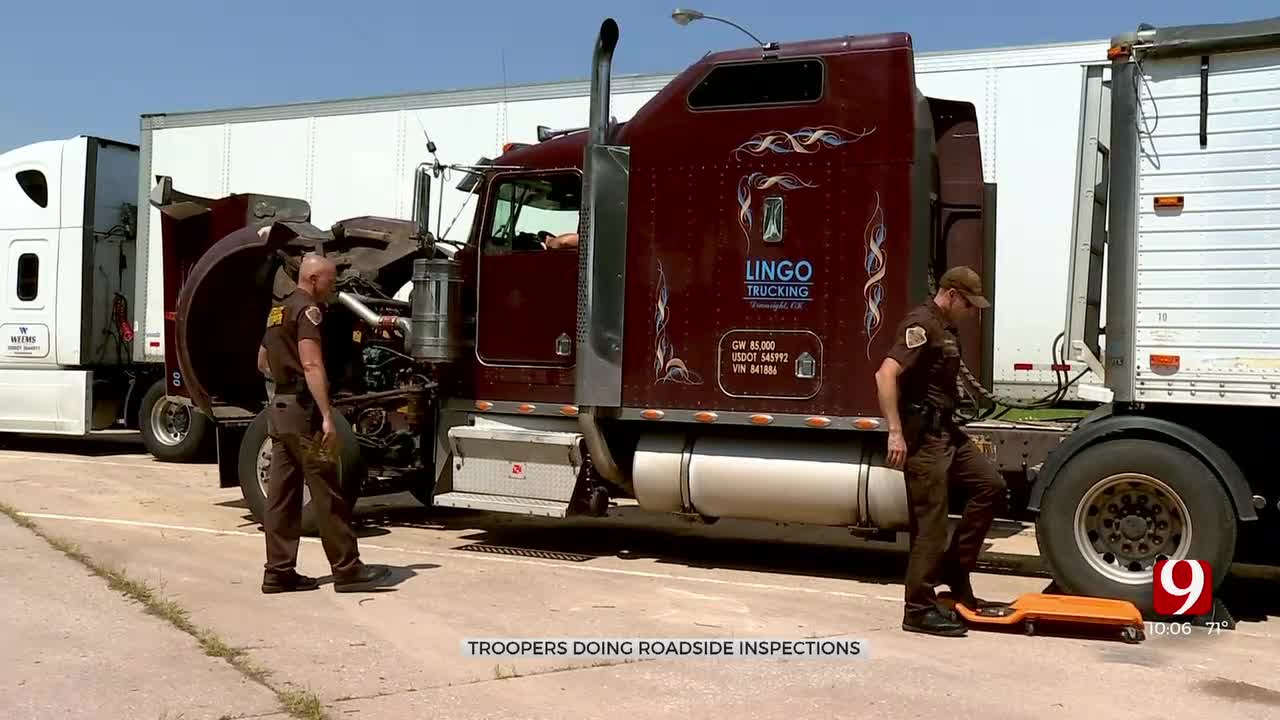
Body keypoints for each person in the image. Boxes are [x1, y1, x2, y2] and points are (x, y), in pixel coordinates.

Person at [873, 266, 1006, 637]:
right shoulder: (922, 324)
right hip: (924, 437)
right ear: (951, 294)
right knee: (930, 525)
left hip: (946, 430)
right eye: (969, 303)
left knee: (989, 486)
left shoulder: (946, 327)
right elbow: (885, 374)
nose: (972, 311)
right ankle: (917, 609)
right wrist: (895, 433)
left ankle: (954, 571)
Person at [256, 253, 390, 594]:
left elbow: (262, 362)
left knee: (282, 496)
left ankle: (278, 571)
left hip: (280, 409)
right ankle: (347, 569)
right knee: (328, 489)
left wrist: (284, 383)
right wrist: (327, 416)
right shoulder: (308, 311)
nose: (334, 286)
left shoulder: (278, 310)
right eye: (330, 280)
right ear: (313, 279)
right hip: (303, 413)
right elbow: (313, 364)